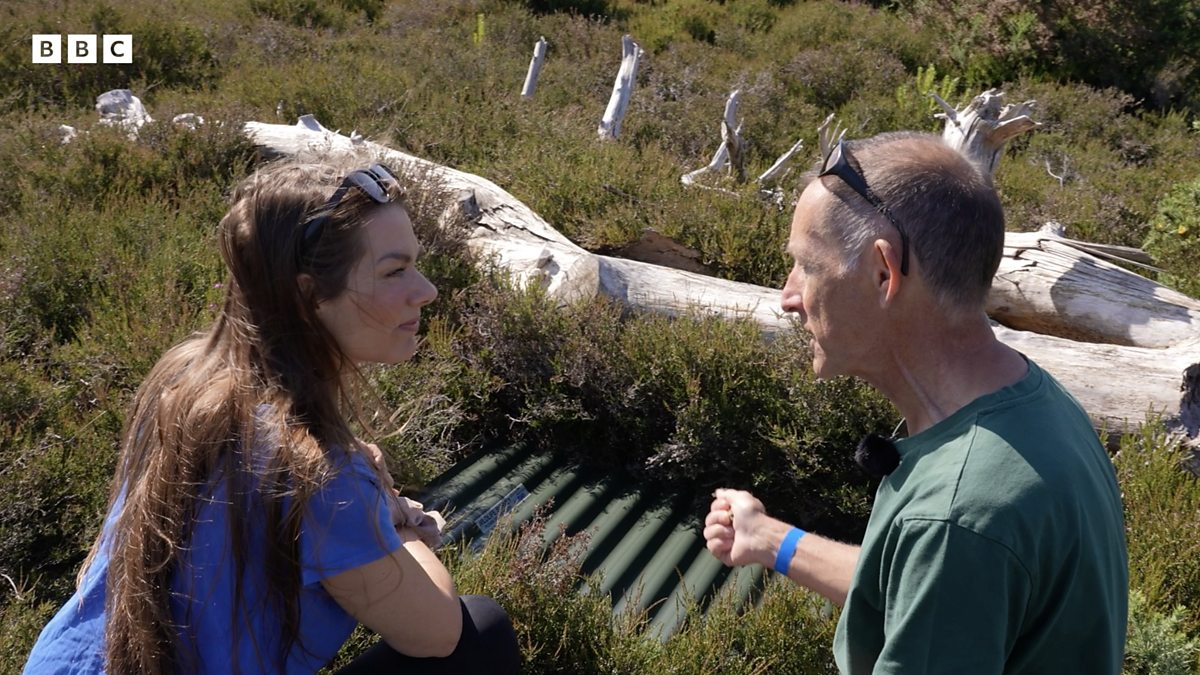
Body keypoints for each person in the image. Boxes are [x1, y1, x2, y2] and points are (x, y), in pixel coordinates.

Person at [24, 161, 521, 674]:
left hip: (69, 662)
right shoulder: (319, 475)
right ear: (308, 296)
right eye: (395, 271)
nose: (427, 290)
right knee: (482, 632)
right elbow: (437, 634)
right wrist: (405, 534)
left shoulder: (184, 377)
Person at [703, 133, 1128, 673]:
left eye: (807, 267)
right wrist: (770, 540)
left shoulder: (958, 513)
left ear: (884, 273)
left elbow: (945, 546)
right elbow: (920, 583)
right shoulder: (1031, 403)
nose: (788, 298)